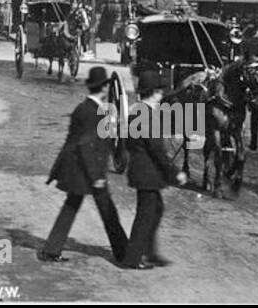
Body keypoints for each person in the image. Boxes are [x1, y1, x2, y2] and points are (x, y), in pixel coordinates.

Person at [39, 65, 128, 263]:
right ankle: (124, 254)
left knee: (71, 206)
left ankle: (50, 250)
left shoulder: (84, 108)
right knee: (108, 211)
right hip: (87, 170)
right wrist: (96, 176)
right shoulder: (93, 112)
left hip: (77, 168)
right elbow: (86, 146)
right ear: (104, 88)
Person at [122, 70, 186, 269]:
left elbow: (132, 142)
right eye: (160, 92)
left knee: (155, 210)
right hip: (147, 173)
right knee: (146, 214)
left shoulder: (137, 111)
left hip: (142, 170)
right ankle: (133, 258)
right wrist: (175, 172)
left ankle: (149, 252)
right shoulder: (146, 115)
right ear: (154, 93)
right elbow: (157, 149)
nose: (161, 96)